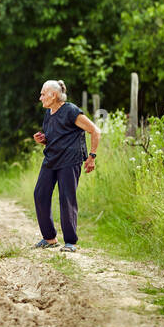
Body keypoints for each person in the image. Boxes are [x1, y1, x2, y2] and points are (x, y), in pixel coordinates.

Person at [32, 79, 100, 251]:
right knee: (40, 194)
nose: (40, 98)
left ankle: (70, 242)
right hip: (52, 158)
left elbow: (95, 131)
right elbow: (55, 137)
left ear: (53, 95)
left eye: (42, 94)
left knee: (66, 198)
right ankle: (49, 238)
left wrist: (91, 156)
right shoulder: (49, 113)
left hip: (70, 159)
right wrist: (43, 140)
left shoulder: (71, 110)